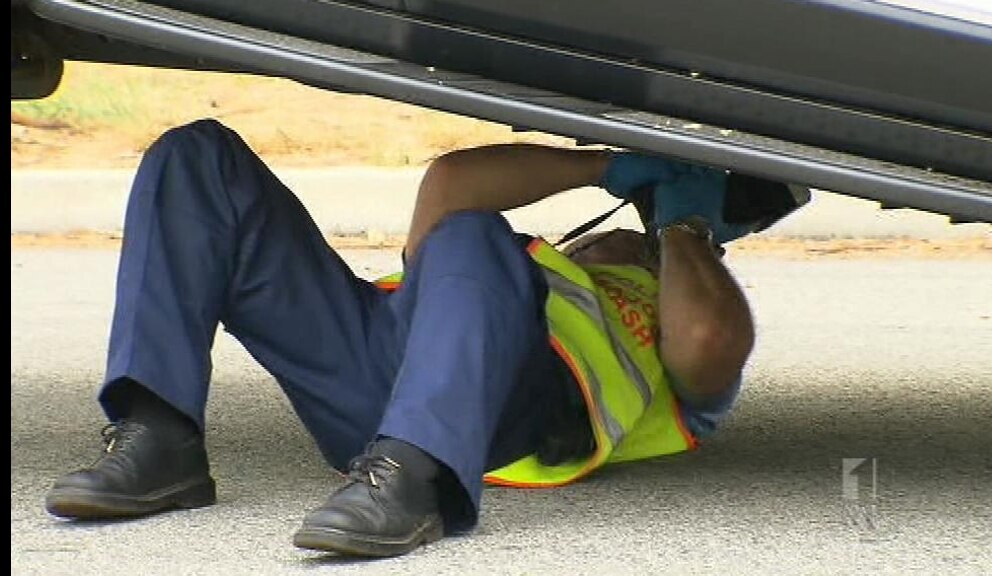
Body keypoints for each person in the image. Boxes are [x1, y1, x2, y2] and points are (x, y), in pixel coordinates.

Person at [44, 119, 807, 558]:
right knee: (197, 154)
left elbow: (708, 332)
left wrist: (682, 228)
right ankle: (159, 435)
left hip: (505, 414)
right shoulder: (529, 266)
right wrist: (609, 166)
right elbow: (450, 183)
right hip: (371, 371)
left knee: (470, 237)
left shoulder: (674, 320)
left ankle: (415, 484)